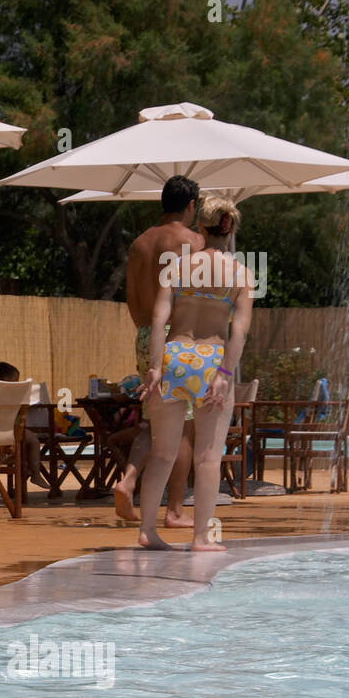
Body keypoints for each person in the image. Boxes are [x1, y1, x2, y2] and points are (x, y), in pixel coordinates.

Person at [138, 196, 253, 551]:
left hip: (175, 356)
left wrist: (155, 368)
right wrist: (225, 373)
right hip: (212, 360)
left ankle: (147, 531)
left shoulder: (175, 269)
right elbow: (240, 332)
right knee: (206, 456)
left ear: (199, 228)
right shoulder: (242, 274)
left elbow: (158, 321)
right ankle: (200, 537)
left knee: (162, 453)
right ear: (229, 229)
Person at [114, 175, 206, 524]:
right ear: (191, 206)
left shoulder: (139, 244)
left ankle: (128, 480)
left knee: (153, 421)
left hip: (144, 335)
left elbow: (132, 299)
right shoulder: (193, 241)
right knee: (183, 426)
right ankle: (175, 509)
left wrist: (150, 334)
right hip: (179, 337)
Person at [0, 362, 47, 491]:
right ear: (6, 380)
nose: (17, 383)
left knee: (24, 443)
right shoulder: (4, 392)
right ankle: (35, 473)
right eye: (15, 380)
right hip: (8, 430)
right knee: (33, 440)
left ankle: (22, 465)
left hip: (2, 430)